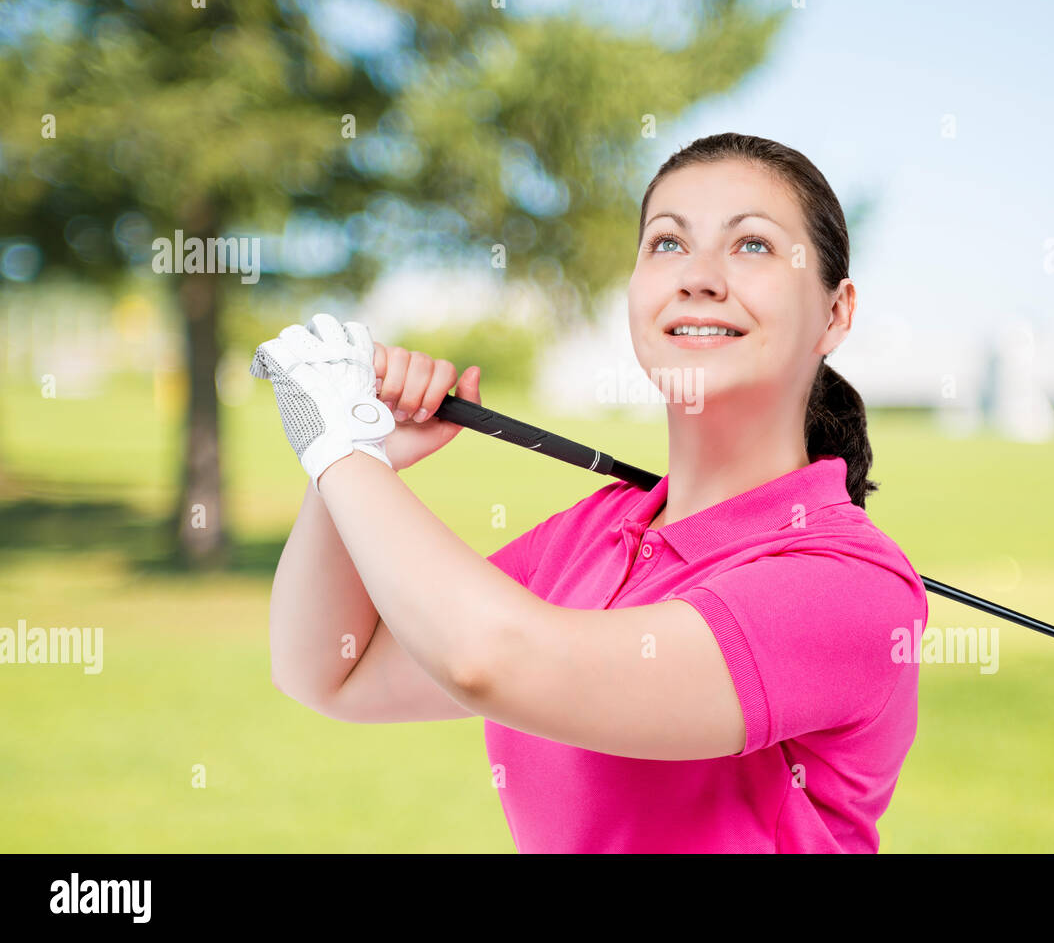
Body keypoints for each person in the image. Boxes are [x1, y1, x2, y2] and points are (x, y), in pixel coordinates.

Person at [259, 132, 929, 854]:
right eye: (667, 244)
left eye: (753, 246)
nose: (698, 276)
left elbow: (494, 660)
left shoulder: (849, 588)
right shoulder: (591, 533)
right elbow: (331, 671)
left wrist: (339, 447)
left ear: (835, 313)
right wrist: (365, 460)